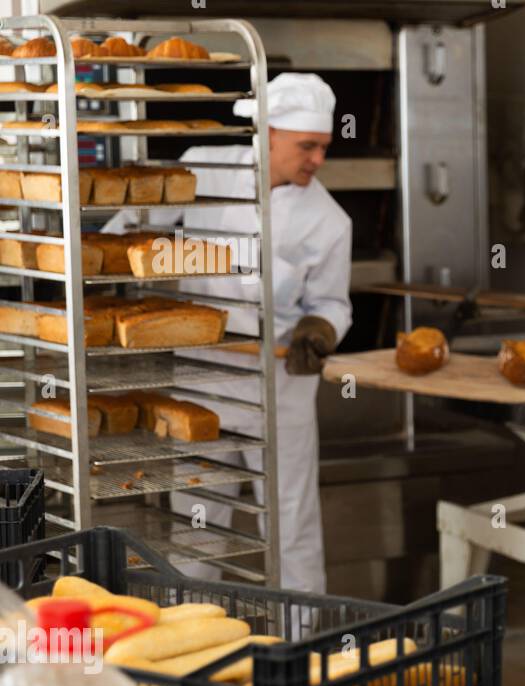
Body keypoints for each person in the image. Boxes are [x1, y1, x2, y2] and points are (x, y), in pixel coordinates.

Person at [105, 72, 352, 594]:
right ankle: (197, 641)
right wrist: (114, 266)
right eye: (308, 146)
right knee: (198, 521)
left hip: (279, 383)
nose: (317, 160)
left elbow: (332, 304)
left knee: (290, 524)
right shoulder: (204, 167)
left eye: (324, 147)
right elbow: (134, 222)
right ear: (268, 132)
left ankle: (304, 645)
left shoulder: (329, 221)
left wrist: (319, 329)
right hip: (200, 379)